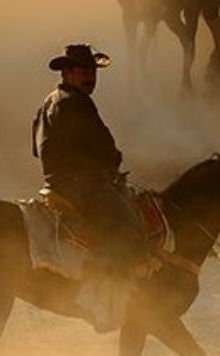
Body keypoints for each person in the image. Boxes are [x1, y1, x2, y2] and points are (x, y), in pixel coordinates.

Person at [31, 44, 156, 282]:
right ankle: (113, 285)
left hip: (59, 181)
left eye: (93, 72)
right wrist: (111, 164)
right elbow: (102, 145)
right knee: (127, 222)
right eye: (84, 71)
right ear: (68, 72)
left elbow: (37, 150)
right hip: (82, 184)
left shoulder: (49, 101)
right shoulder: (77, 102)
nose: (91, 77)